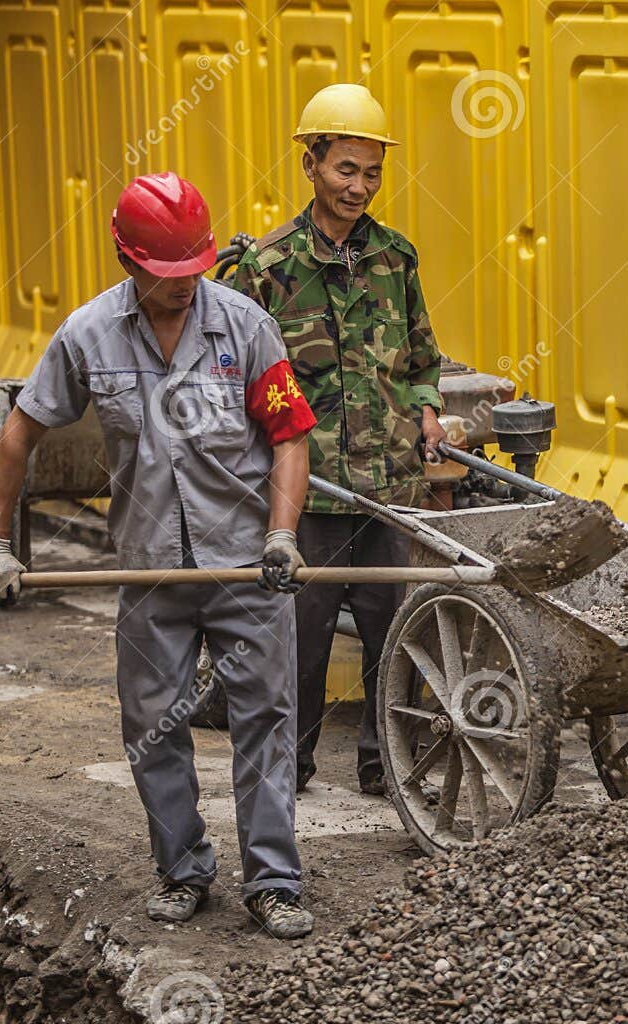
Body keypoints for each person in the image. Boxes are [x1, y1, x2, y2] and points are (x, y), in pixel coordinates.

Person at [0, 173, 319, 939]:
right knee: (153, 727)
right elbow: (19, 434)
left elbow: (290, 435)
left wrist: (282, 533)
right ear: (127, 260)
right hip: (150, 569)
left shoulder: (247, 327)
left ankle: (274, 881)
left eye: (191, 274)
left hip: (244, 565)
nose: (181, 290)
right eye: (165, 278)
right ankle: (183, 867)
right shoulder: (88, 334)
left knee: (266, 720)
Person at [234, 83, 446, 796]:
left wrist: (426, 410)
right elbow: (239, 385)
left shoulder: (396, 259)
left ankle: (384, 763)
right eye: (345, 169)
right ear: (311, 164)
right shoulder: (265, 270)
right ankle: (288, 769)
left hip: (389, 487)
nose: (360, 187)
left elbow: (421, 360)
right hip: (311, 490)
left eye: (373, 172)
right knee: (302, 639)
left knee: (393, 636)